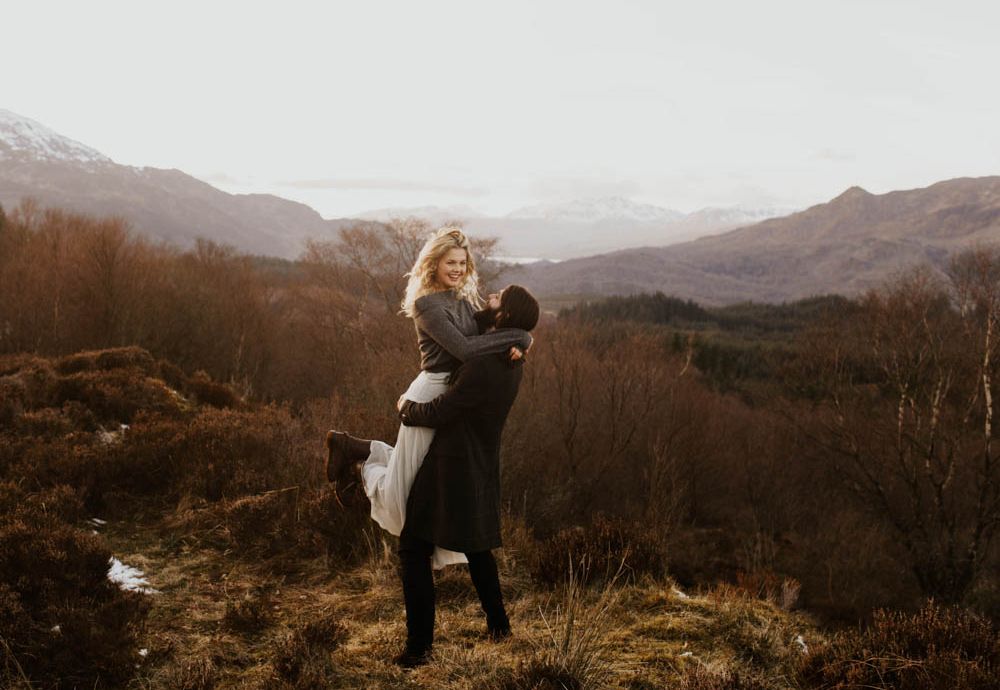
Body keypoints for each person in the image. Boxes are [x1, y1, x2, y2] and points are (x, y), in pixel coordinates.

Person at [325, 227, 532, 570]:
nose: (457, 269)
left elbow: (490, 330)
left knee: (421, 474)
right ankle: (361, 467)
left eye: (463, 263)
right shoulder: (426, 305)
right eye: (451, 262)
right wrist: (520, 336)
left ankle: (356, 447)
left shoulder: (462, 300)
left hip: (451, 395)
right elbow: (465, 349)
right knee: (401, 490)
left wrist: (519, 342)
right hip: (431, 390)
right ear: (433, 263)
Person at [392, 284, 540, 667]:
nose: (490, 298)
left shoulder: (485, 363)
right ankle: (499, 627)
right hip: (480, 462)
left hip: (451, 463)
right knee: (477, 548)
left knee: (413, 547)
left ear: (504, 315)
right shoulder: (510, 358)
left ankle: (419, 649)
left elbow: (443, 410)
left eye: (497, 298)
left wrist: (407, 408)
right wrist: (523, 339)